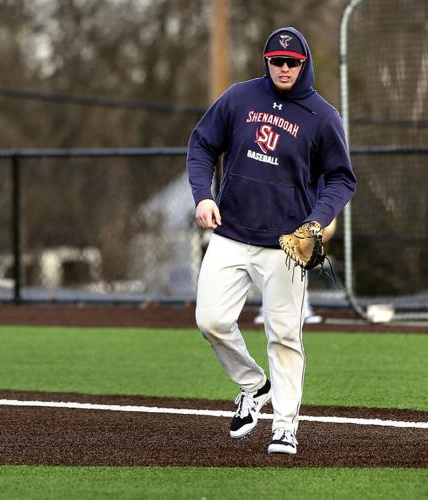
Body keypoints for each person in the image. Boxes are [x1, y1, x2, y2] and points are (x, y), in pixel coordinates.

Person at [187, 27, 356, 455]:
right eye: (276, 60)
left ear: (304, 64)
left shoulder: (322, 116)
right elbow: (202, 145)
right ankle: (252, 384)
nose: (283, 68)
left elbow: (341, 178)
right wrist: (203, 195)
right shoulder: (239, 99)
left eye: (291, 62)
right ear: (266, 61)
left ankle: (285, 426)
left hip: (286, 243)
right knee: (210, 320)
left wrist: (316, 222)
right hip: (231, 232)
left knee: (284, 335)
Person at [253, 217, 337, 325]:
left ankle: (303, 310)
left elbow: (328, 228)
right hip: (274, 233)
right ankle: (266, 311)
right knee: (271, 269)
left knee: (297, 269)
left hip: (299, 232)